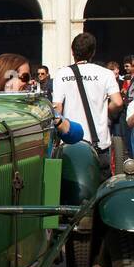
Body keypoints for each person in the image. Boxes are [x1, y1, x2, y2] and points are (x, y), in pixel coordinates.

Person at [52, 32, 122, 175]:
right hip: (99, 144)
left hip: (71, 144)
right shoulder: (106, 73)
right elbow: (118, 102)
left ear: (72, 52)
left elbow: (57, 108)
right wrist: (106, 110)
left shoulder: (62, 74)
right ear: (93, 52)